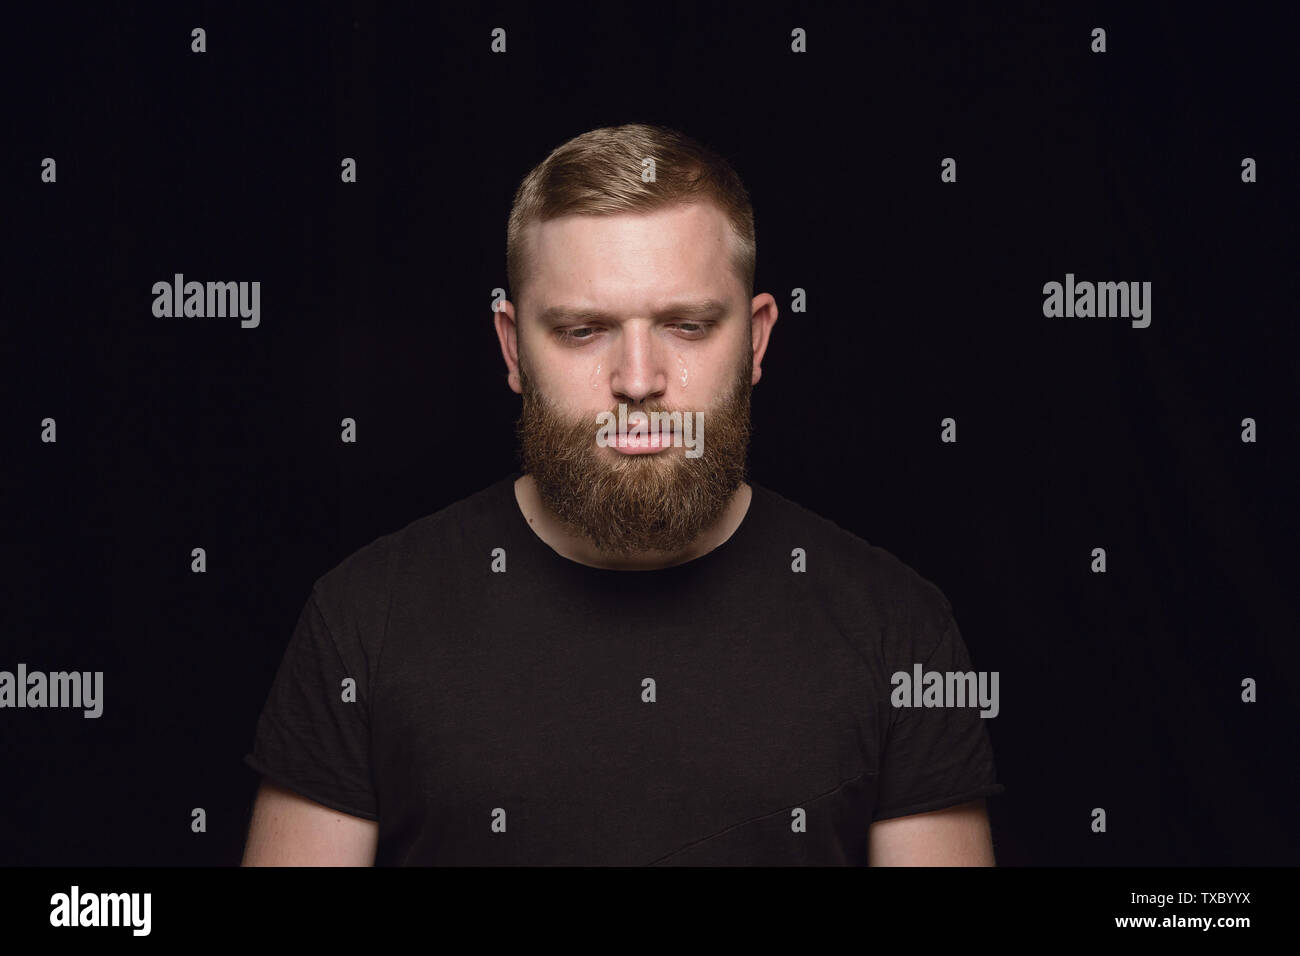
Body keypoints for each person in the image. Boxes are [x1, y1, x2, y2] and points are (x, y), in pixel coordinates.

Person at [241, 123, 1004, 866]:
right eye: (582, 331)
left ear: (757, 339)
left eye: (689, 325)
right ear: (512, 347)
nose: (637, 380)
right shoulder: (363, 622)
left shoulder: (898, 629)